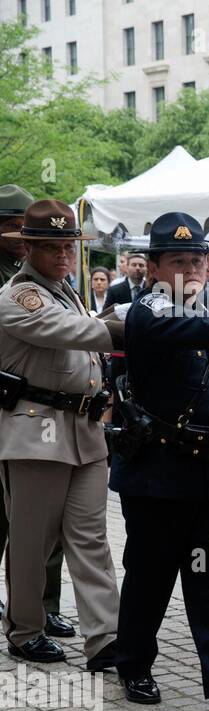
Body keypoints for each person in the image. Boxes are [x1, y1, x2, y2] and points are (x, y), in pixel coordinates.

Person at [110, 212, 209, 711]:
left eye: (197, 260)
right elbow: (197, 331)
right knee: (150, 575)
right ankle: (134, 663)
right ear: (155, 266)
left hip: (208, 471)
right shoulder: (147, 309)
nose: (191, 270)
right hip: (158, 474)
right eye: (179, 261)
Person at [0, 199, 119, 669]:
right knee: (32, 542)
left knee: (91, 538)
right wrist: (142, 330)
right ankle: (25, 629)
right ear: (28, 247)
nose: (64, 254)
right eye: (51, 247)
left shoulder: (65, 288)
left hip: (84, 429)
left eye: (68, 244)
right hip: (36, 430)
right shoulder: (20, 295)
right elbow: (71, 332)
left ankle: (105, 638)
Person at [0, 184, 71, 636]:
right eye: (8, 226)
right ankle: (23, 617)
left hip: (42, 413)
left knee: (49, 525)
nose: (14, 235)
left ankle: (43, 606)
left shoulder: (51, 276)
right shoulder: (16, 285)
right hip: (11, 411)